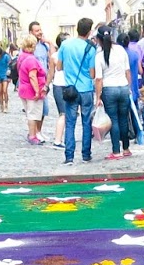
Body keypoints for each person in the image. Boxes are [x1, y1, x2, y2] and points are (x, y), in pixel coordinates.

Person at [57, 17, 101, 164]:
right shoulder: (90, 48)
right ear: (89, 32)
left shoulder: (65, 45)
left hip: (71, 89)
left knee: (70, 122)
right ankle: (86, 154)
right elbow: (92, 73)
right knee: (86, 121)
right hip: (86, 89)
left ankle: (69, 156)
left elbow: (59, 67)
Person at [96, 25, 133, 158]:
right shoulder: (121, 50)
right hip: (123, 87)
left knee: (113, 120)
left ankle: (116, 150)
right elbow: (127, 71)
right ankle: (126, 148)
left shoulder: (100, 56)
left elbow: (99, 79)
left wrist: (98, 96)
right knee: (124, 119)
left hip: (109, 89)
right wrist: (129, 87)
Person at [16, 35, 46, 142]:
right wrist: (37, 91)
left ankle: (32, 134)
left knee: (29, 112)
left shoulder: (21, 56)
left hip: (23, 87)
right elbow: (32, 76)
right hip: (31, 90)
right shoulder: (31, 59)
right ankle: (33, 136)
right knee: (33, 114)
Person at [0, 40, 11, 112]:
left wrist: (9, 73)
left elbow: (10, 65)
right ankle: (1, 106)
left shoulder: (6, 56)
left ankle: (6, 105)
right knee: (0, 91)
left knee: (5, 90)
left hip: (5, 75)